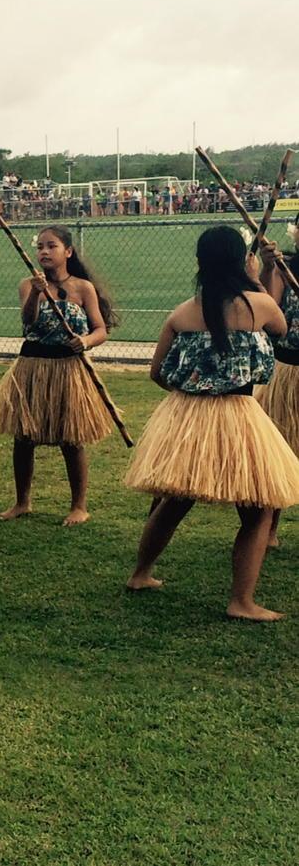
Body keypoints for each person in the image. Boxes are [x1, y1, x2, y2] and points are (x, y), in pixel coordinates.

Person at [125, 226, 299, 621]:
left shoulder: (181, 313)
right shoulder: (259, 305)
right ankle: (242, 601)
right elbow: (281, 330)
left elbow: (157, 372)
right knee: (258, 509)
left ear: (200, 263)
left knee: (175, 500)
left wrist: (190, 392)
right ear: (242, 261)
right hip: (239, 414)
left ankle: (140, 573)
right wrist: (257, 280)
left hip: (188, 415)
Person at [0, 225, 116, 525]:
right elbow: (28, 322)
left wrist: (85, 341)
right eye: (40, 247)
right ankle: (22, 502)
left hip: (68, 369)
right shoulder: (28, 285)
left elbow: (100, 330)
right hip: (33, 367)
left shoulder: (83, 288)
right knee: (24, 437)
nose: (44, 252)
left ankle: (79, 506)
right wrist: (36, 293)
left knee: (70, 438)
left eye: (52, 246)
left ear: (68, 251)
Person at [252, 230, 299, 546]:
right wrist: (268, 268)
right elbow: (270, 312)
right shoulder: (285, 268)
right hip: (287, 371)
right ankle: (268, 528)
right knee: (279, 452)